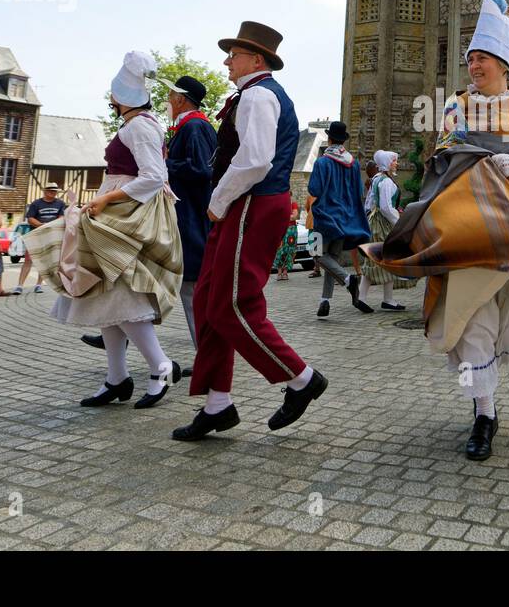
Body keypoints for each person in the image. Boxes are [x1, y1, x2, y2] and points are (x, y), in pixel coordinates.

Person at [363, 0, 509, 461]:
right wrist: (468, 164)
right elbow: (441, 158)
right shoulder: (456, 104)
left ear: (501, 61)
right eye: (470, 58)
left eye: (480, 58)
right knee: (469, 312)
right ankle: (483, 412)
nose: (473, 65)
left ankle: (486, 404)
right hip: (464, 224)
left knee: (501, 311)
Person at [171, 22, 328, 441]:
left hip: (253, 202)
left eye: (233, 54)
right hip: (247, 202)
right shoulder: (253, 94)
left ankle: (301, 378)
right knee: (207, 300)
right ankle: (217, 404)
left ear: (256, 60)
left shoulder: (259, 95)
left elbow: (255, 161)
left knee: (233, 304)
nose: (226, 61)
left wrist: (217, 201)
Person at [26, 51, 184, 409]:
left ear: (122, 97)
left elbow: (155, 176)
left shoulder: (141, 125)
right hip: (118, 210)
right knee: (104, 296)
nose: (110, 98)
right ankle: (117, 378)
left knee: (121, 295)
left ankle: (160, 368)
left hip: (127, 214)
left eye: (113, 93)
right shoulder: (136, 124)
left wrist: (107, 198)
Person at [161, 74, 218, 349]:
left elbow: (202, 170)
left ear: (181, 99)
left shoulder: (194, 127)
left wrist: (165, 166)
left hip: (193, 220)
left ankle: (206, 356)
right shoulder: (192, 126)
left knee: (191, 290)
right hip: (190, 217)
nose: (167, 101)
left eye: (171, 96)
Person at [305, 121, 373, 317]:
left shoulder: (322, 162)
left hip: (323, 218)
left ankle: (348, 279)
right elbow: (360, 191)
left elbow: (314, 190)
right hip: (345, 219)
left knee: (316, 253)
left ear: (329, 138)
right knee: (331, 258)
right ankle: (324, 301)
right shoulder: (353, 163)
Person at [358, 150, 416, 310]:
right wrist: (399, 222)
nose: (396, 163)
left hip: (376, 222)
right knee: (381, 258)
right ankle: (363, 297)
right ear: (387, 164)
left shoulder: (377, 179)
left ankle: (384, 299)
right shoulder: (386, 182)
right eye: (394, 161)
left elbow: (369, 204)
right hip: (383, 223)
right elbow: (386, 207)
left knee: (384, 258)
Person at [13, 184, 65, 294]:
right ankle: (20, 285)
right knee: (28, 260)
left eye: (54, 191)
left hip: (51, 235)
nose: (52, 192)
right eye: (50, 190)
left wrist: (51, 225)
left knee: (45, 261)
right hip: (36, 234)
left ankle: (38, 284)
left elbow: (61, 218)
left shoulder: (60, 204)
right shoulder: (36, 203)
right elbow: (30, 219)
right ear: (45, 191)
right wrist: (42, 225)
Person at [274, 202, 301, 281]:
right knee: (279, 250)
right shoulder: (278, 203)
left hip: (291, 230)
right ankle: (279, 272)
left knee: (289, 250)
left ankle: (285, 272)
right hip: (280, 229)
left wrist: (282, 217)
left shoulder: (293, 204)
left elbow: (295, 216)